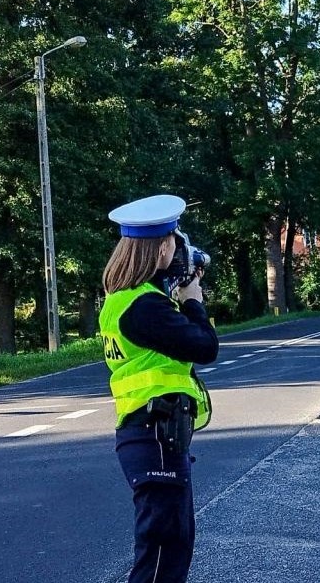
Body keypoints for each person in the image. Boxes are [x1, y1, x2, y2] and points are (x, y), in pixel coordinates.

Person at [100, 194, 219, 583]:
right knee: (161, 554)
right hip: (154, 434)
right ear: (162, 247)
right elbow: (204, 347)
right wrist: (193, 301)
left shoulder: (128, 300)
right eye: (173, 242)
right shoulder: (144, 307)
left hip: (153, 434)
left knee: (173, 546)